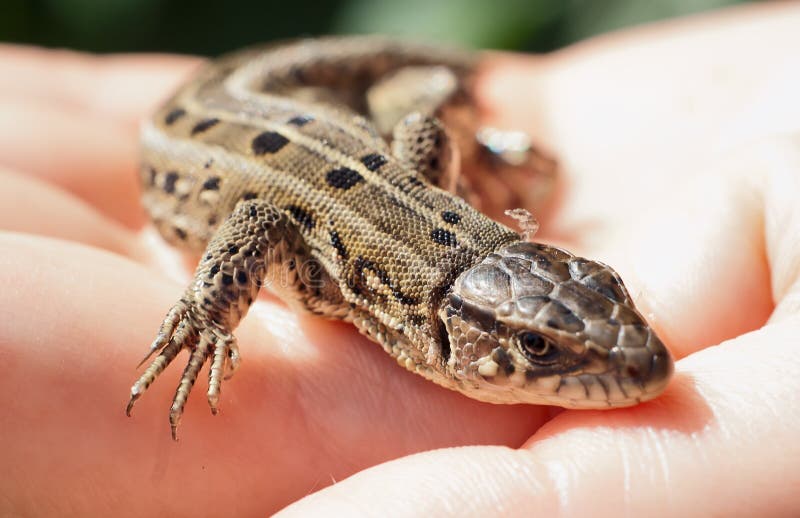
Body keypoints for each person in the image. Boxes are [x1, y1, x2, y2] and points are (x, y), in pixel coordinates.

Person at [0, 3, 798, 515]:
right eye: (537, 347)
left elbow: (420, 139)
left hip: (282, 111)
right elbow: (258, 215)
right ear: (456, 334)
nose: (638, 361)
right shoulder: (326, 276)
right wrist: (209, 311)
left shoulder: (372, 269)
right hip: (201, 130)